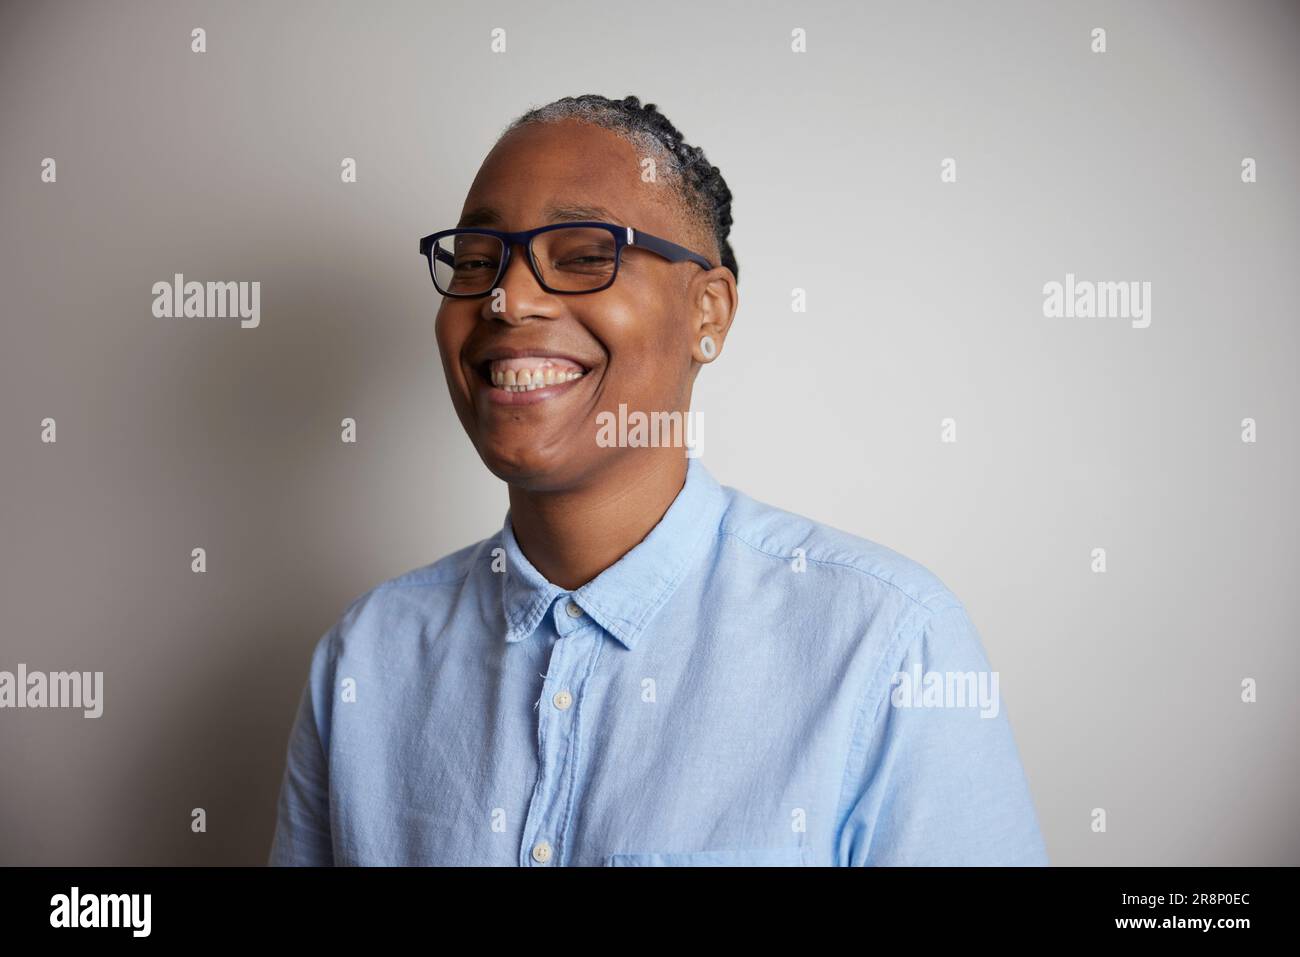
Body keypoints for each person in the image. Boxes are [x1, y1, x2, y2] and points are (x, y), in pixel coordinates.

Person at [268, 93, 1049, 866]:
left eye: (581, 255)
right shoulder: (364, 659)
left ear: (708, 313)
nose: (508, 298)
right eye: (476, 262)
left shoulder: (888, 646)